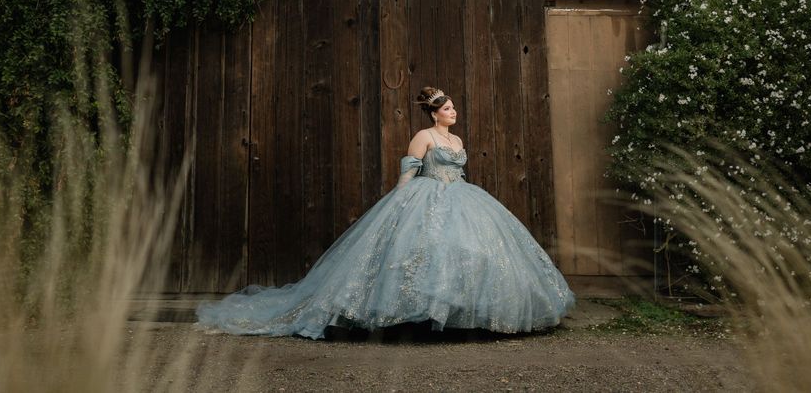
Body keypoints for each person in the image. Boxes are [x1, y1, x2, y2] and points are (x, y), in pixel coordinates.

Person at [196, 86, 575, 339]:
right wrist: (397, 209)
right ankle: (412, 320)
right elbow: (408, 174)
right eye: (448, 108)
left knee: (467, 252)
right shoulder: (424, 137)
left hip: (460, 197)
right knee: (419, 254)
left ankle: (463, 317)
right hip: (425, 196)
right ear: (435, 113)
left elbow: (458, 168)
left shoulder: (456, 139)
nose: (454, 112)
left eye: (454, 108)